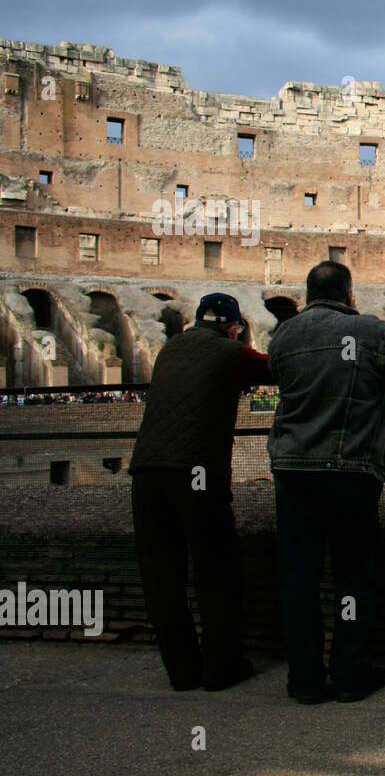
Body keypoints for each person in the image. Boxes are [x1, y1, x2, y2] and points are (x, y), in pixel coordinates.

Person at [267, 262, 385, 704]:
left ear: (307, 295)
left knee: (299, 579)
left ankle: (304, 681)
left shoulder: (283, 337)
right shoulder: (368, 331)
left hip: (292, 469)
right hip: (349, 470)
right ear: (349, 294)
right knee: (354, 575)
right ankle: (350, 674)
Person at [129, 292, 272, 691]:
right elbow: (278, 368)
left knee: (162, 576)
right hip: (195, 472)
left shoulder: (171, 348)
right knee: (217, 569)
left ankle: (183, 672)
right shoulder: (233, 353)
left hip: (146, 470)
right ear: (232, 326)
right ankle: (220, 669)